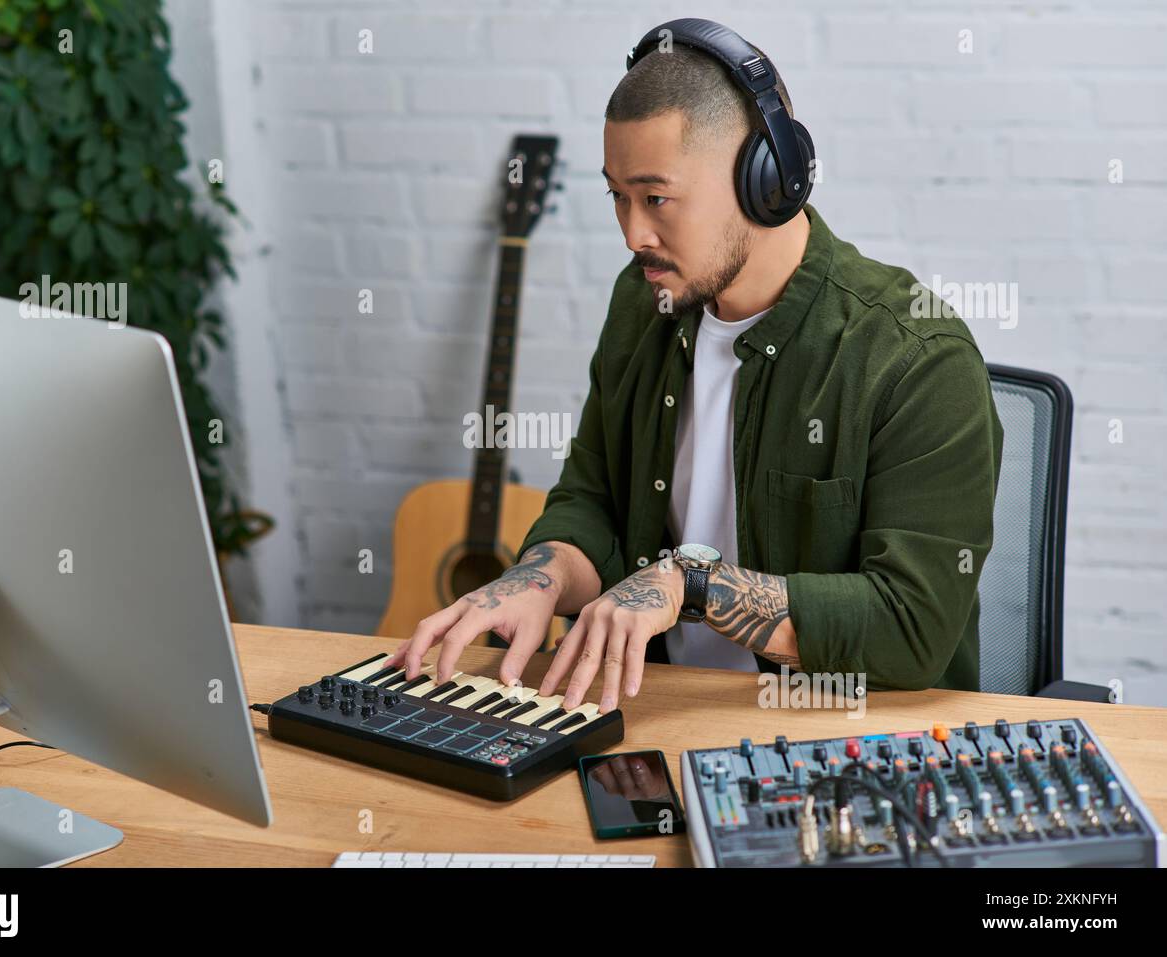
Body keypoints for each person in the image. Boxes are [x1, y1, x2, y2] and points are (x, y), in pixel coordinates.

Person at [386, 26, 1003, 713]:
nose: (632, 233)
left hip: (845, 734)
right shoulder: (644, 298)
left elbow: (912, 629)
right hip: (652, 709)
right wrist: (538, 577)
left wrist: (692, 582)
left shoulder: (915, 359)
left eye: (656, 198)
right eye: (617, 195)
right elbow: (592, 497)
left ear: (767, 180)